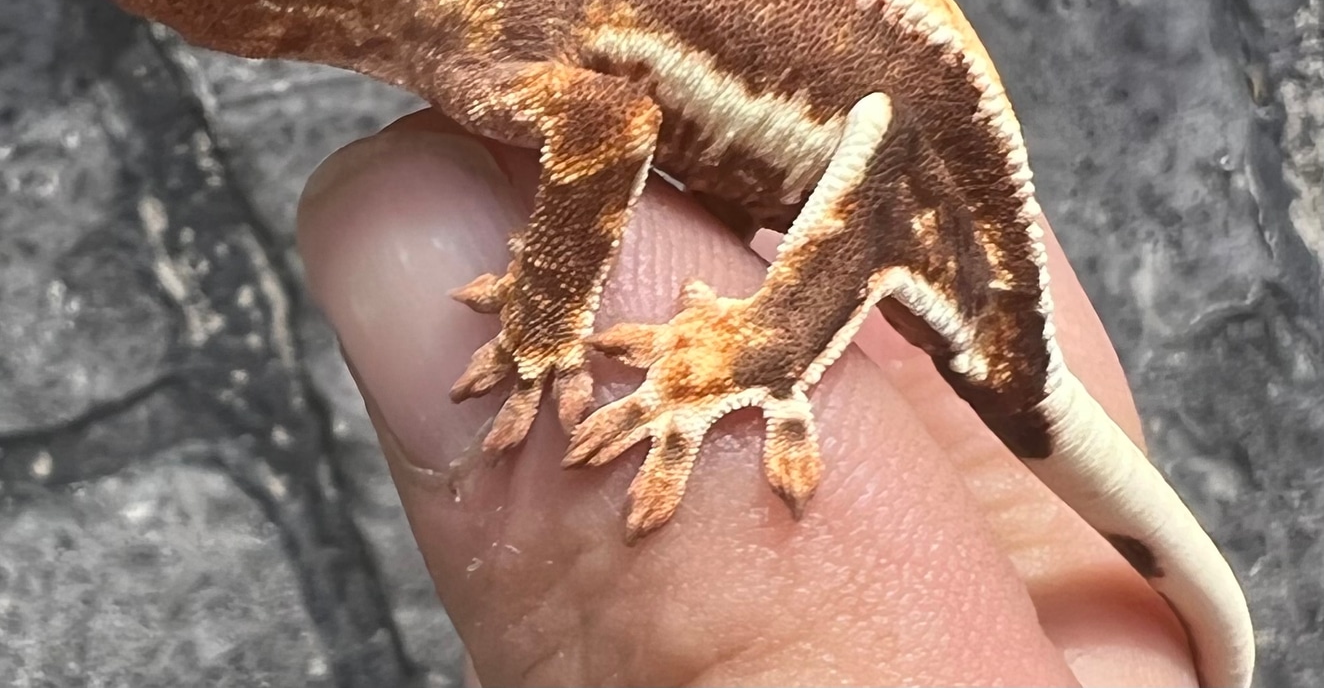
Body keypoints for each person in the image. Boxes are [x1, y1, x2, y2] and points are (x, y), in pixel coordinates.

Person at [296, 111, 1198, 686]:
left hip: (902, 172)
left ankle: (766, 356)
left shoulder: (487, 11)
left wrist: (546, 316)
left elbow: (608, 122)